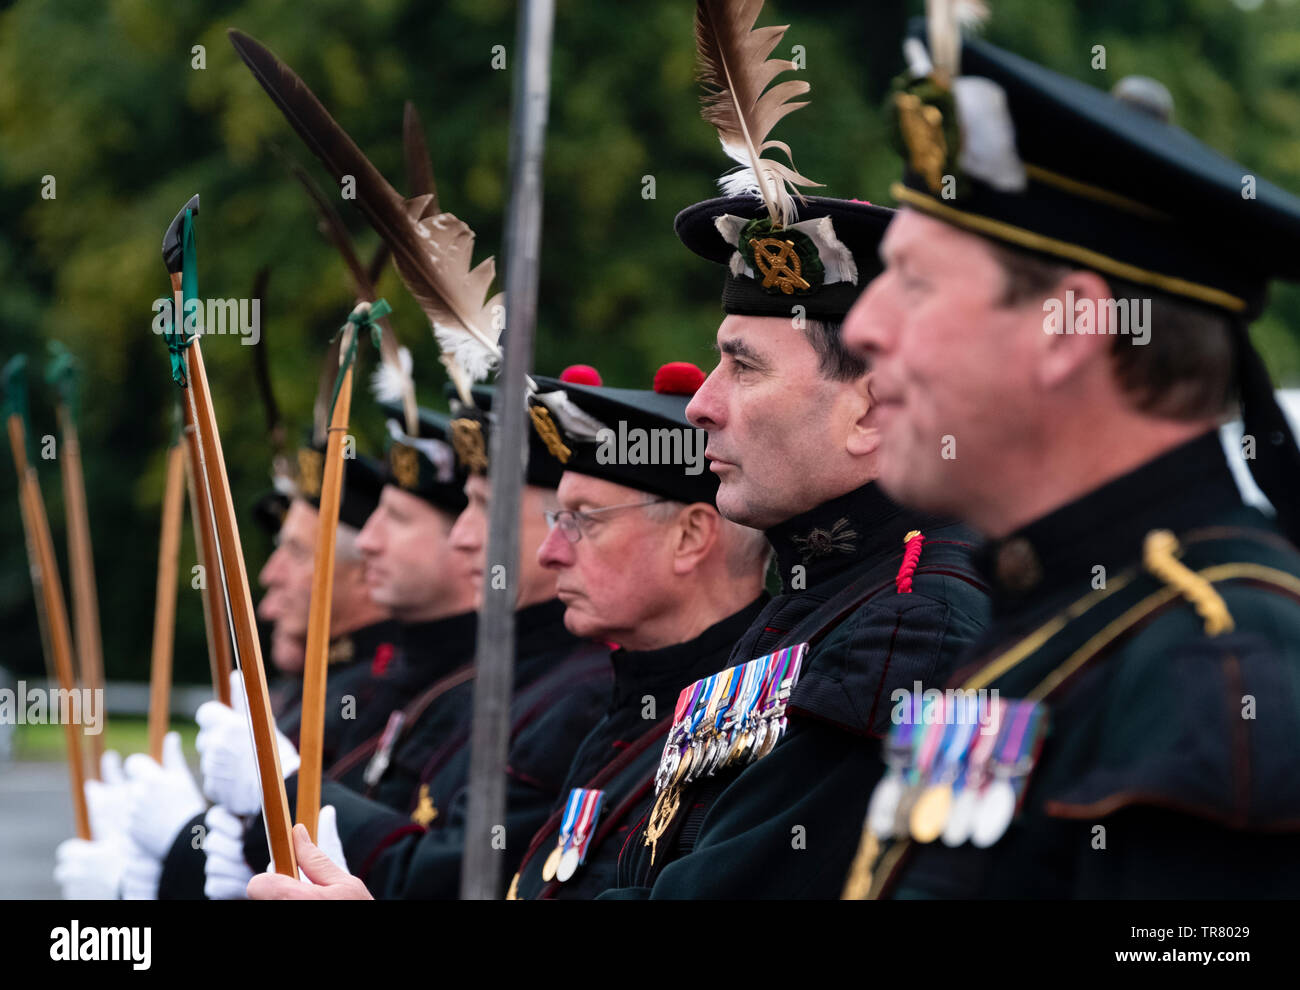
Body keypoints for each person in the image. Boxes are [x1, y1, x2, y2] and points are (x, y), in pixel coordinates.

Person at [840, 15, 1300, 897]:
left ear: (1069, 328)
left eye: (916, 283)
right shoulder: (1058, 612)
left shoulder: (1213, 670)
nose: (863, 328)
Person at [244, 385, 612, 899]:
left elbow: (452, 875)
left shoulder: (580, 689)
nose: (464, 535)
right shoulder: (499, 676)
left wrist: (281, 792)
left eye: (483, 507)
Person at [506, 363, 770, 898]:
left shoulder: (755, 729)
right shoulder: (632, 700)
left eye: (584, 519)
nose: (549, 552)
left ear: (691, 536)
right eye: (557, 519)